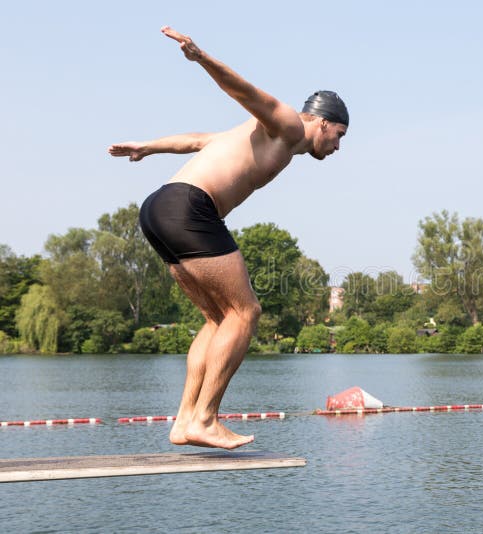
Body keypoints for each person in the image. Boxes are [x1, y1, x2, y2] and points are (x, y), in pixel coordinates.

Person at [108, 26, 349, 449]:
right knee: (246, 312)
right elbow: (244, 91)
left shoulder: (257, 136)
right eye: (340, 136)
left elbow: (197, 141)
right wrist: (201, 57)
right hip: (190, 208)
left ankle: (185, 422)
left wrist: (148, 146)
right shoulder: (290, 125)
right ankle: (205, 418)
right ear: (324, 123)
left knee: (219, 318)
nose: (338, 147)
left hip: (159, 208)